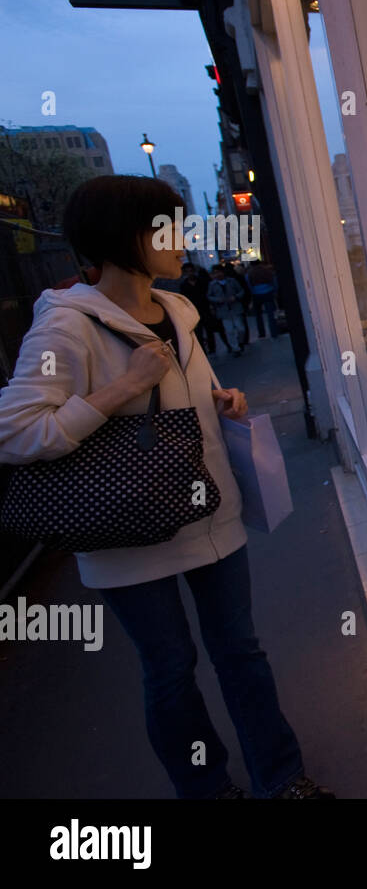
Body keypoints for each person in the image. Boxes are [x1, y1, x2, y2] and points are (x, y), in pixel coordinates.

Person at [0, 175, 333, 800]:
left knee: (243, 655)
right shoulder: (66, 328)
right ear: (126, 238)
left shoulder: (178, 309)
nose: (184, 239)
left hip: (211, 514)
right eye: (168, 228)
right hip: (126, 535)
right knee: (171, 671)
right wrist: (120, 388)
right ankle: (206, 789)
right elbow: (15, 433)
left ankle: (282, 778)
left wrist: (221, 403)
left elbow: (181, 401)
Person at [207, 264, 246, 356]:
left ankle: (240, 342)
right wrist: (218, 300)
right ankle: (235, 348)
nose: (217, 274)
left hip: (235, 308)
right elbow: (209, 296)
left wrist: (235, 297)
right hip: (223, 310)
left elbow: (241, 291)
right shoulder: (212, 285)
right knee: (229, 331)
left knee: (241, 328)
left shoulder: (232, 281)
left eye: (219, 272)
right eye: (215, 273)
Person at [246, 259, 279, 339]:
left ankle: (262, 333)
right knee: (270, 314)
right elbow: (274, 281)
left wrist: (252, 294)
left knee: (258, 315)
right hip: (268, 292)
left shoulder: (249, 273)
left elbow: (249, 284)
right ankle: (274, 332)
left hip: (256, 294)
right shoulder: (267, 270)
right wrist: (275, 291)